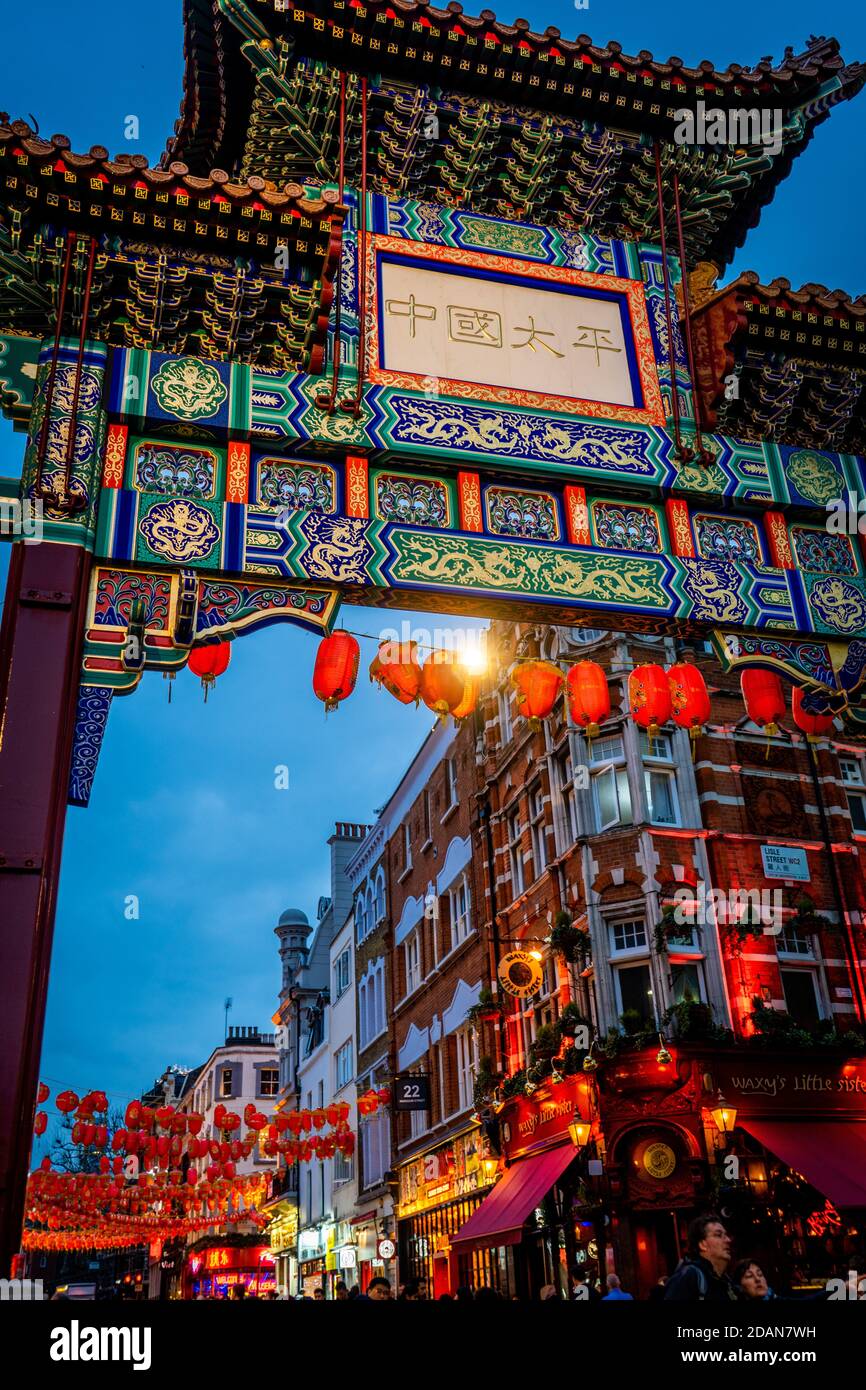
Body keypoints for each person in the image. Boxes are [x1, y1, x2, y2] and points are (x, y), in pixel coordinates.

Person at [664, 1214, 740, 1302]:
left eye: (726, 1235)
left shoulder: (727, 1282)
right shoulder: (689, 1276)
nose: (728, 1240)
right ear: (702, 1245)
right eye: (718, 1235)